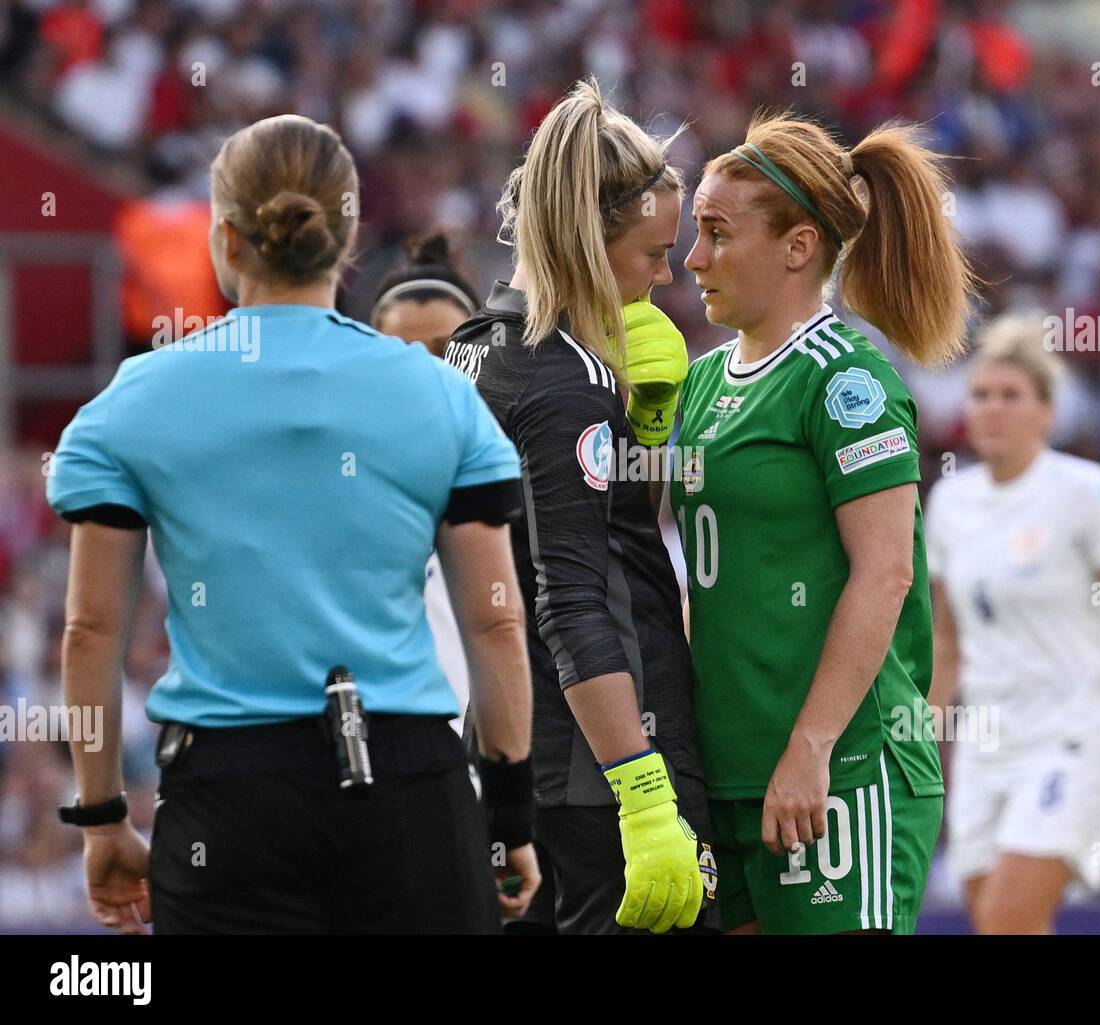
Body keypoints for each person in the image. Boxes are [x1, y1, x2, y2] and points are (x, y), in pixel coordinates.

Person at [46, 113, 539, 934]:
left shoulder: (134, 400)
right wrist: (511, 818)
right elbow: (495, 619)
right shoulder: (441, 392)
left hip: (229, 800)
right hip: (412, 790)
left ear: (226, 240)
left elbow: (91, 629)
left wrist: (101, 818)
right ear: (347, 244)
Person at [672, 114, 974, 934]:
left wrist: (810, 746)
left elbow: (887, 573)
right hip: (732, 769)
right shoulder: (697, 385)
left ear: (799, 246)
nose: (693, 257)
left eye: (716, 233)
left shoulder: (847, 381)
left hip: (841, 768)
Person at [446, 78, 716, 935]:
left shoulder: (472, 348)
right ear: (587, 242)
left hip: (514, 747)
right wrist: (643, 793)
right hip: (608, 755)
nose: (666, 274)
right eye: (651, 253)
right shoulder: (568, 378)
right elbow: (575, 593)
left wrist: (639, 432)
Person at [926, 314, 1100, 934]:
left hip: (1072, 739)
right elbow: (948, 639)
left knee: (1007, 924)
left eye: (1011, 396)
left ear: (1046, 411)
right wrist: (926, 731)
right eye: (981, 395)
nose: (992, 409)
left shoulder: (1088, 493)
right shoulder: (949, 504)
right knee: (1004, 926)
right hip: (987, 747)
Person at [369, 232, 481, 733]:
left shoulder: (532, 476)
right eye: (402, 351)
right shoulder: (342, 486)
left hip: (507, 764)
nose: (426, 369)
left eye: (445, 349)